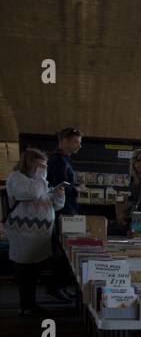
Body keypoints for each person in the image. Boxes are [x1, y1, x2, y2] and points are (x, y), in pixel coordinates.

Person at [5, 148, 66, 316]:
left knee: (34, 272)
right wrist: (41, 176)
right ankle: (26, 307)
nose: (43, 167)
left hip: (40, 235)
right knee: (26, 274)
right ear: (29, 162)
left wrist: (59, 195)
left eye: (44, 164)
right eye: (40, 163)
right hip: (24, 235)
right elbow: (29, 193)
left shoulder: (39, 180)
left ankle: (30, 305)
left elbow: (54, 205)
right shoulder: (16, 177)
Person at [43, 127, 81, 300]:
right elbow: (61, 185)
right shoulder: (58, 161)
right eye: (75, 142)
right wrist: (76, 189)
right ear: (64, 141)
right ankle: (56, 287)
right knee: (62, 249)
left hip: (67, 209)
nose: (78, 146)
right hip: (63, 210)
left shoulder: (64, 159)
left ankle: (60, 286)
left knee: (65, 249)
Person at [114, 149, 141, 233]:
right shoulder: (133, 179)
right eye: (138, 167)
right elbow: (133, 197)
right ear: (134, 166)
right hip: (136, 217)